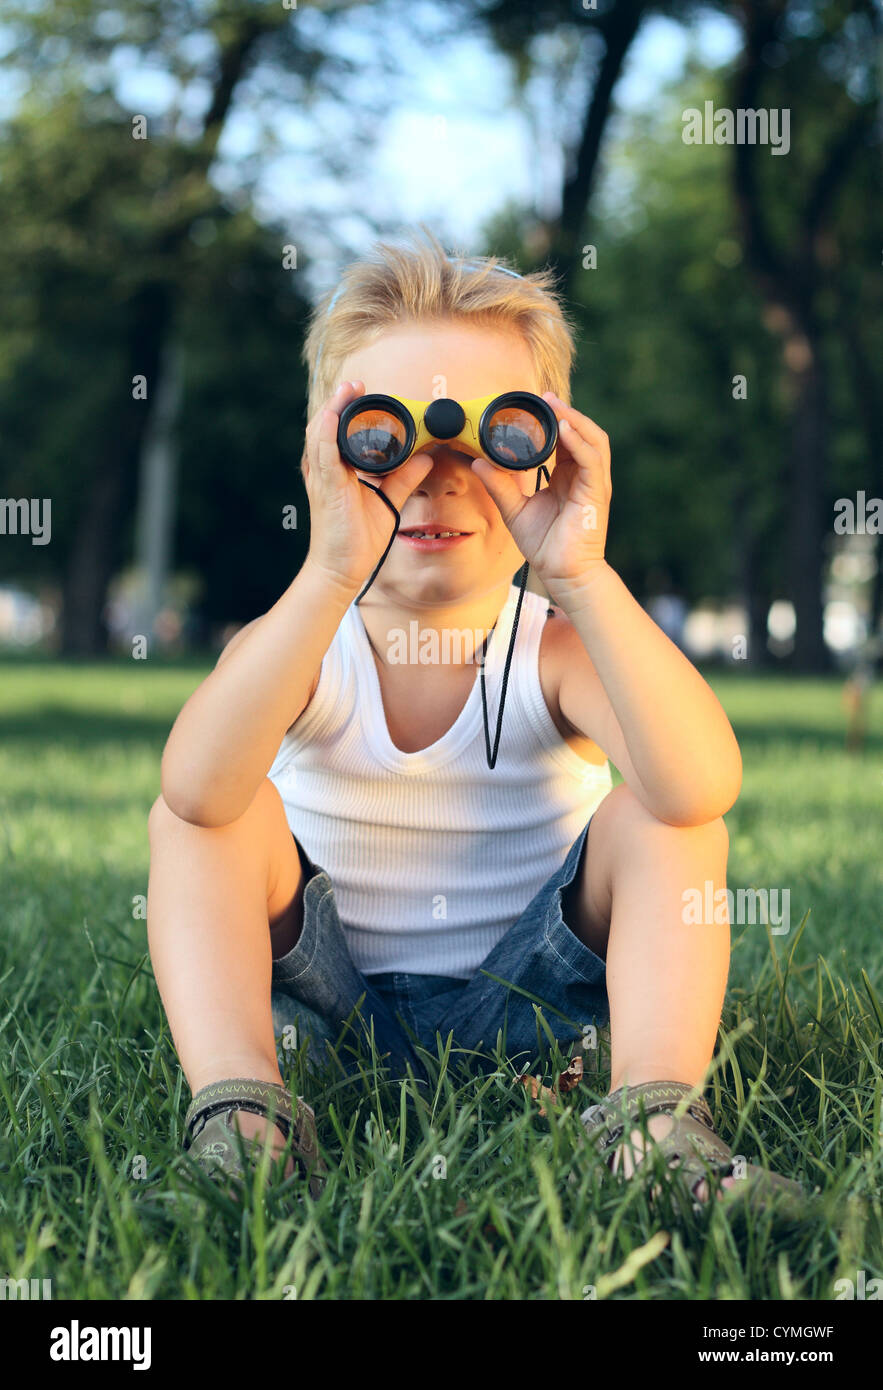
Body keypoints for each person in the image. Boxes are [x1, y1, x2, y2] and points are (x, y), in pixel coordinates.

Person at [147, 227, 805, 1217]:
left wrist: (578, 573)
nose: (435, 475)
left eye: (489, 440)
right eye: (387, 437)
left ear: (544, 458)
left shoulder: (556, 648)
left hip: (537, 1017)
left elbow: (698, 789)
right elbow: (195, 790)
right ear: (328, 456)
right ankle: (245, 1126)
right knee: (203, 815)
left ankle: (654, 1124)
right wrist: (330, 569)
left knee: (663, 819)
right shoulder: (292, 646)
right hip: (331, 1013)